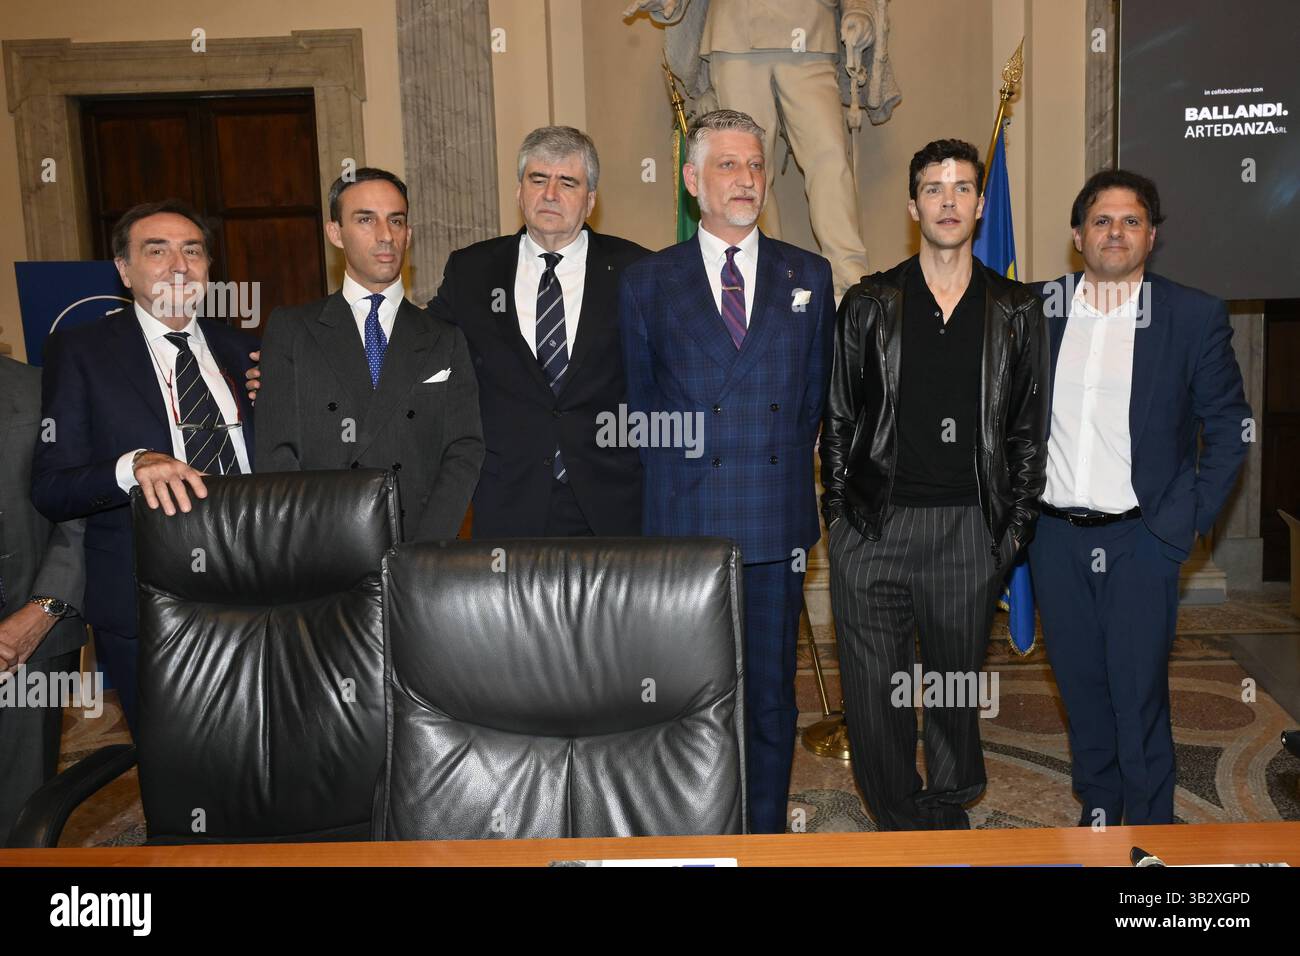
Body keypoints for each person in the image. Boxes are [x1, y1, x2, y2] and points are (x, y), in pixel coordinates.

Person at [820, 139, 1049, 830]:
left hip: (966, 530)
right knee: (872, 692)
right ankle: (895, 814)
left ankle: (948, 804)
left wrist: (1008, 537)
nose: (948, 201)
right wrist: (840, 519)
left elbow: (1029, 435)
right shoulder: (869, 303)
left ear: (980, 204)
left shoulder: (1016, 310)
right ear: (912, 204)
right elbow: (837, 420)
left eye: (961, 188)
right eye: (933, 188)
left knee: (953, 688)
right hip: (875, 528)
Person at [619, 109, 835, 833]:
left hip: (774, 522)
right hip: (685, 528)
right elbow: (641, 409)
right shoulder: (647, 281)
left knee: (772, 697)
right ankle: (699, 833)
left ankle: (766, 835)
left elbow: (812, 402)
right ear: (691, 180)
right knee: (690, 696)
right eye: (726, 166)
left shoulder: (810, 274)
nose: (745, 180)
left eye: (754, 165)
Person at [1029, 169, 1249, 826]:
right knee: (1081, 690)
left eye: (1130, 221)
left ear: (1151, 236)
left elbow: (1230, 429)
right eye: (1101, 220)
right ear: (1077, 235)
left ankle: (1152, 833)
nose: (1115, 232)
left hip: (1142, 541)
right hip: (1053, 538)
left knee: (1138, 693)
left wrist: (1181, 527)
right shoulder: (1035, 309)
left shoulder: (1191, 314)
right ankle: (1099, 813)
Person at [32, 200, 258, 734]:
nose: (179, 265)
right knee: (173, 768)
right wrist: (132, 466)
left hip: (256, 586)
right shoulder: (81, 351)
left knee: (261, 750)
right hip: (150, 601)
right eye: (157, 250)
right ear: (124, 269)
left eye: (193, 250)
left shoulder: (248, 350)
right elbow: (51, 488)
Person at [427, 127, 648, 537]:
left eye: (568, 182)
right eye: (538, 179)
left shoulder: (638, 271)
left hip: (612, 505)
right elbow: (419, 349)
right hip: (507, 502)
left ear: (591, 199)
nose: (550, 194)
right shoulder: (471, 272)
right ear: (519, 191)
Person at [255, 168, 484, 541]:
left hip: (416, 548)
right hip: (322, 548)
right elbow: (276, 450)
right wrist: (311, 541)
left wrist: (427, 548)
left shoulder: (445, 339)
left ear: (408, 234)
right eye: (366, 220)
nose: (385, 235)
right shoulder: (292, 329)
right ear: (335, 233)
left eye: (396, 221)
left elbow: (463, 449)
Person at [626, 0, 902, 298]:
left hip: (810, 28)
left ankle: (849, 278)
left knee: (829, 158)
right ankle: (763, 278)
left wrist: (857, 9)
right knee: (746, 166)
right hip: (735, 31)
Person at [0, 356, 87, 845]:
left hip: (30, 637)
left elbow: (79, 513)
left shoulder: (45, 390)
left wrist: (43, 609)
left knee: (20, 818)